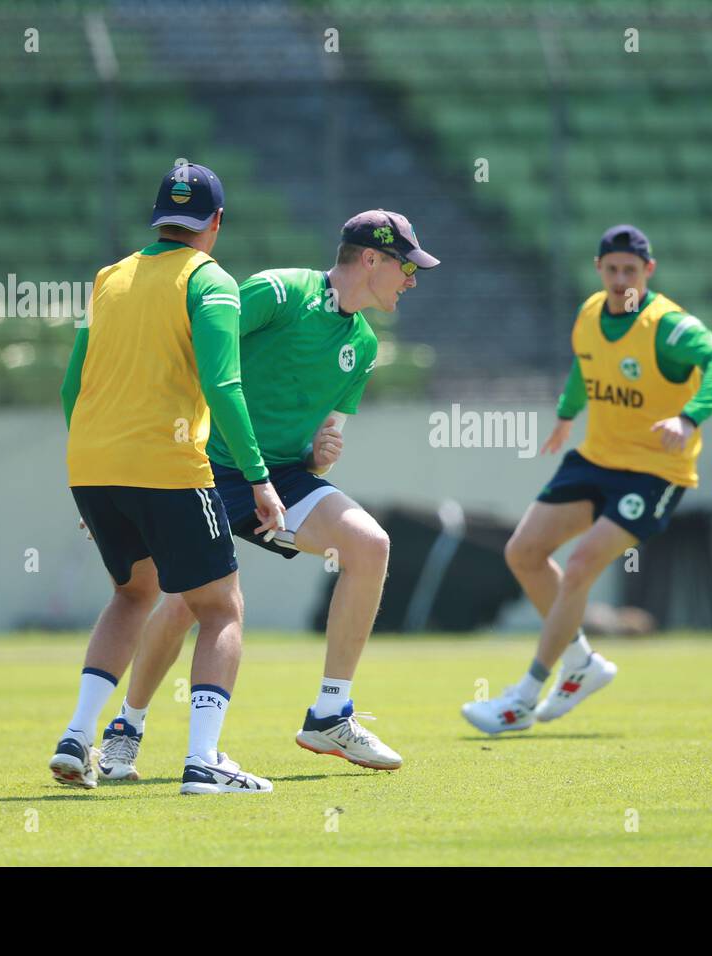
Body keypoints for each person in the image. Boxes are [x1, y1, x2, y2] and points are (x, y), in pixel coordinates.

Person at [96, 209, 439, 778]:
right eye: (406, 267)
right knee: (185, 604)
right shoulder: (279, 292)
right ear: (371, 258)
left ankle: (330, 714)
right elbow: (195, 355)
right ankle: (125, 731)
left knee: (370, 545)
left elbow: (315, 441)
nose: (412, 280)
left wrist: (318, 455)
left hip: (279, 477)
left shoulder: (364, 345)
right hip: (205, 466)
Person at [52, 163, 287, 794]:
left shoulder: (109, 278)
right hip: (170, 466)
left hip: (94, 464)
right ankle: (204, 761)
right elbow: (223, 385)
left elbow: (72, 386)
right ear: (215, 222)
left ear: (159, 218)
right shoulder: (211, 280)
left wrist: (95, 471)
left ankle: (78, 737)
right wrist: (260, 478)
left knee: (134, 594)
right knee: (221, 609)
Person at [462, 224, 712, 734]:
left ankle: (523, 697)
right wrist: (567, 414)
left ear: (648, 272)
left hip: (655, 471)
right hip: (597, 459)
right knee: (522, 552)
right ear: (599, 269)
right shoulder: (590, 313)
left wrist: (689, 417)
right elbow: (584, 366)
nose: (620, 280)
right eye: (611, 269)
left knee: (580, 566)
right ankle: (583, 665)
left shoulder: (668, 326)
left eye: (630, 271)